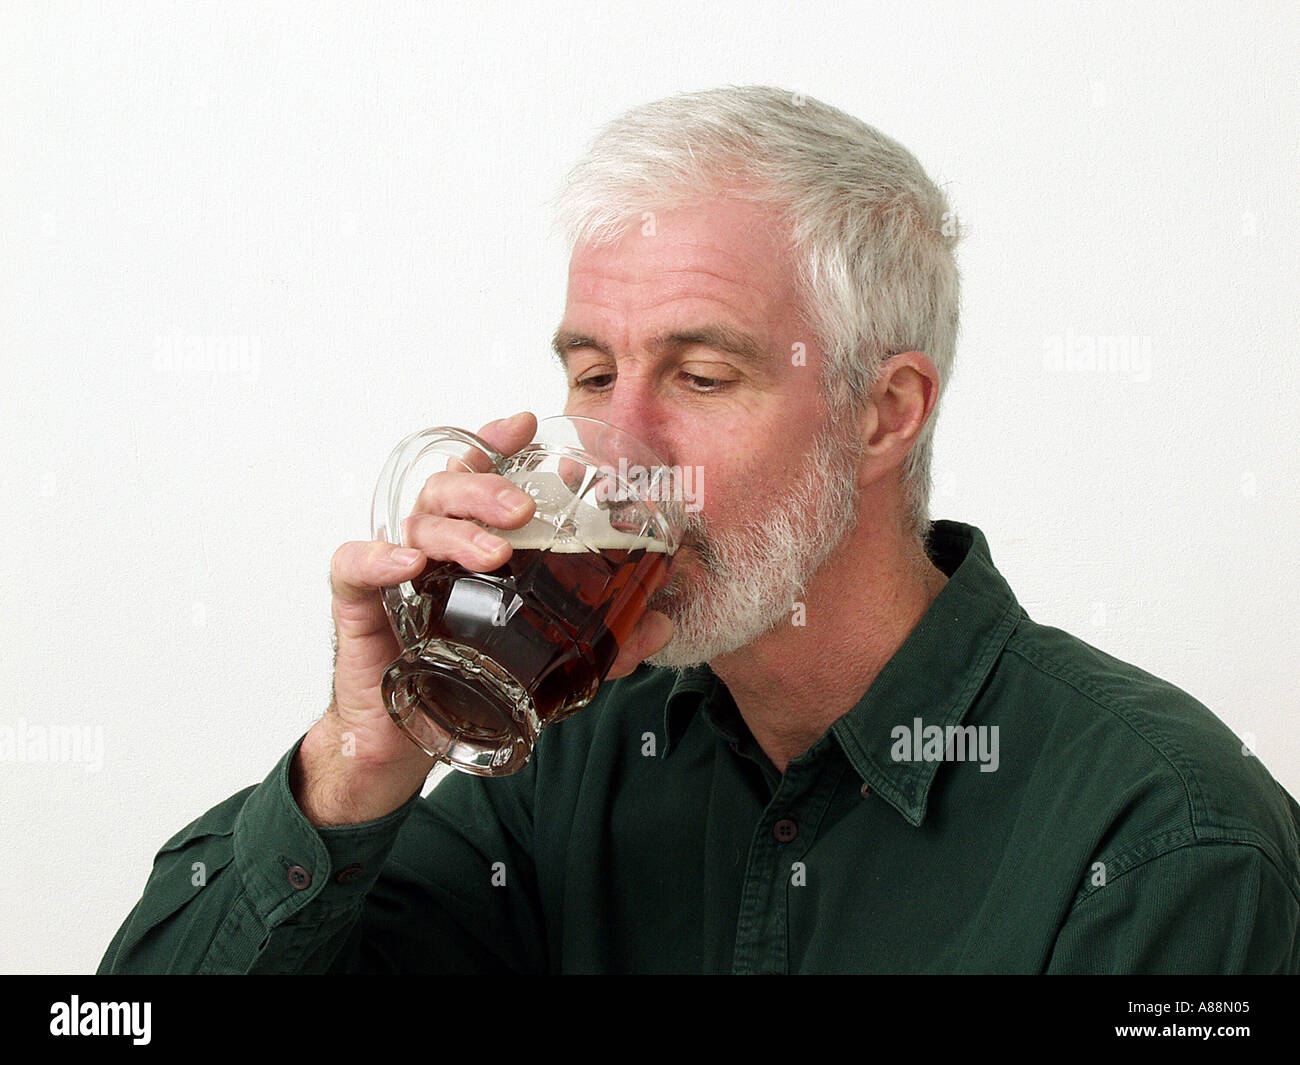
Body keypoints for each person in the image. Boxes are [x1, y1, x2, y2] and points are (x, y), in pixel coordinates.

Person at [99, 85, 1300, 974]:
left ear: (884, 413)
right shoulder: (567, 758)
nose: (616, 449)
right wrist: (361, 760)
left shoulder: (1164, 837)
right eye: (591, 375)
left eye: (702, 376)